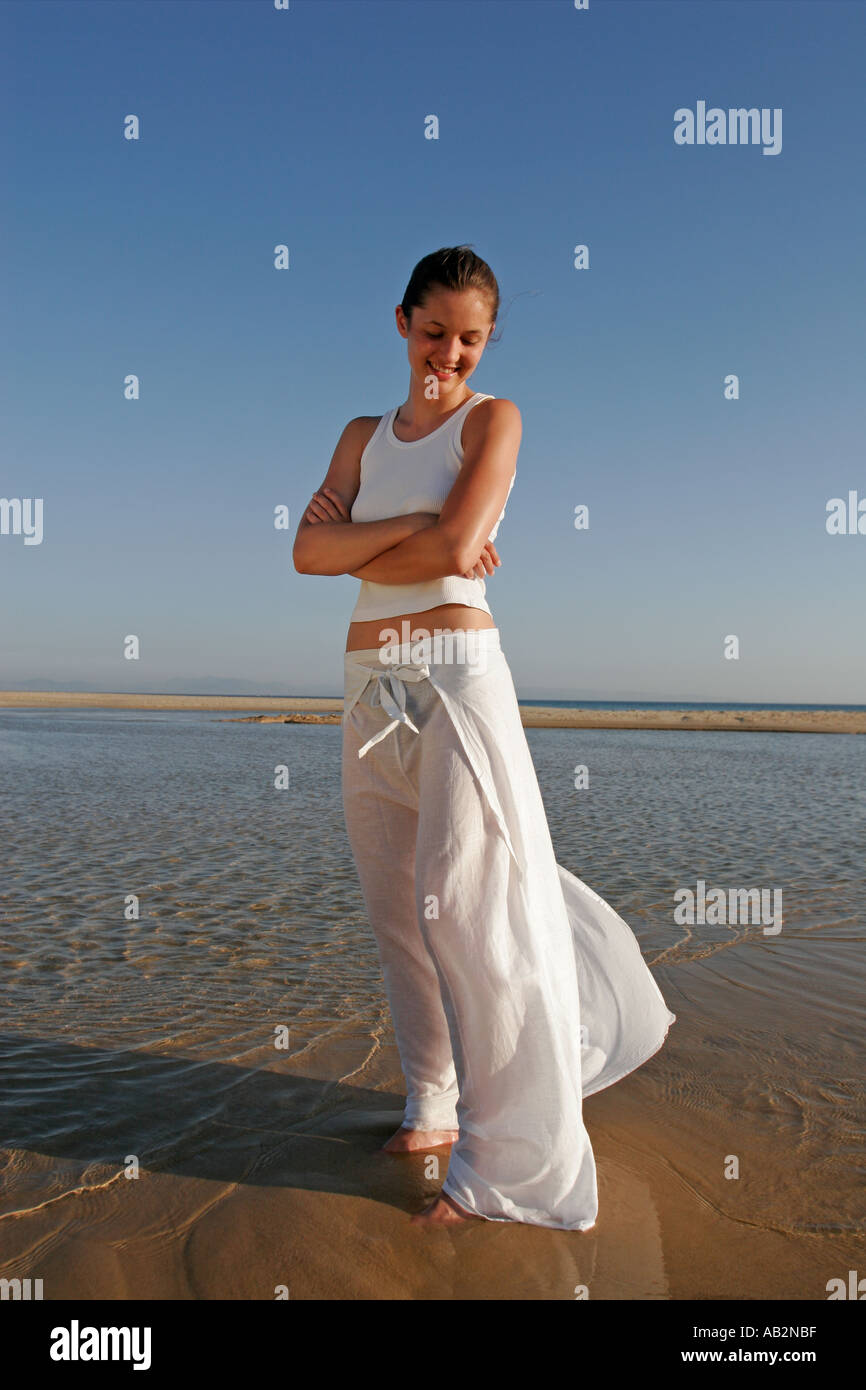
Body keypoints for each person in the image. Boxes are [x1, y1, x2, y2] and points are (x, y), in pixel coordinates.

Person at [293, 245, 675, 1230]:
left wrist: (379, 538)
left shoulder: (492, 419)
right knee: (395, 908)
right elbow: (303, 551)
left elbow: (457, 551)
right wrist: (422, 519)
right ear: (399, 323)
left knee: (466, 909)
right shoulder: (358, 434)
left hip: (457, 674)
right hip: (370, 680)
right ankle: (430, 1109)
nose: (447, 355)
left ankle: (505, 1168)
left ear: (485, 341)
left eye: (468, 339)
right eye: (432, 333)